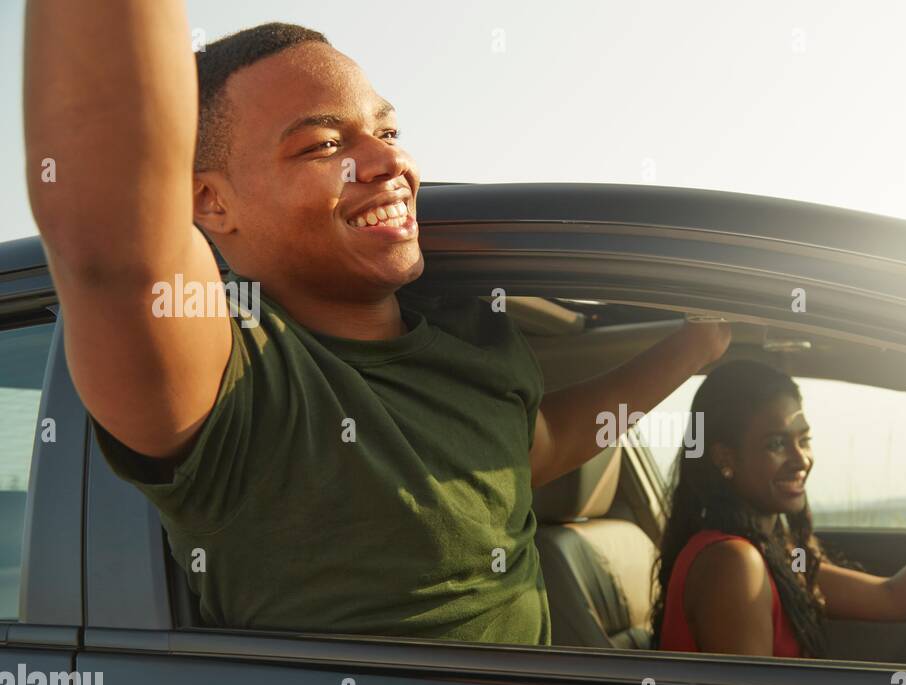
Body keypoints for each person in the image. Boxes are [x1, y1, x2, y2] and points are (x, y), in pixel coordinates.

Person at [24, 4, 729, 644]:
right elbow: (109, 237)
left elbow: (530, 447)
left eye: (388, 131)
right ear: (210, 203)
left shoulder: (478, 342)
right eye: (324, 146)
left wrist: (700, 341)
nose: (391, 161)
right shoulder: (239, 387)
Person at [653, 361, 906, 658]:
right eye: (776, 444)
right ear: (724, 458)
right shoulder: (733, 562)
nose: (801, 460)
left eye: (804, 440)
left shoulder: (770, 554)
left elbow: (893, 599)